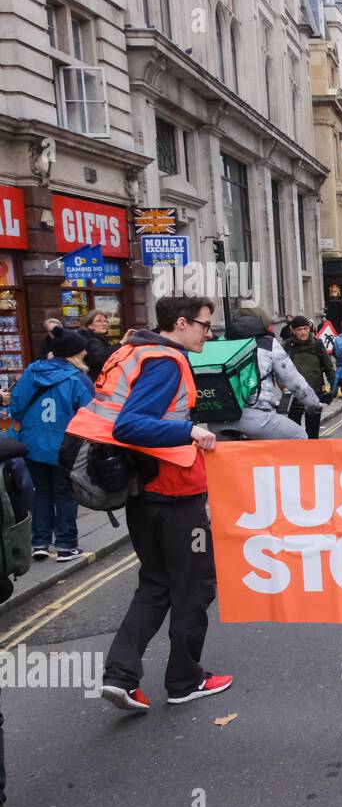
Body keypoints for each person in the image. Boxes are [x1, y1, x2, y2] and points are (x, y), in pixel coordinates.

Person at [65, 295, 233, 711]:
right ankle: (185, 680)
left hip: (142, 491)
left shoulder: (132, 350)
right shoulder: (165, 361)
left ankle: (120, 677)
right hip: (174, 494)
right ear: (181, 323)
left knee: (156, 583)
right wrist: (188, 432)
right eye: (204, 326)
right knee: (195, 585)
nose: (208, 335)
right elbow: (131, 425)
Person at [7, 326, 94, 561]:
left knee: (41, 493)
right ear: (73, 353)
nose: (86, 353)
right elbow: (90, 416)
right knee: (65, 494)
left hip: (32, 444)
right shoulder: (79, 379)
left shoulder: (32, 372)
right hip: (65, 447)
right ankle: (66, 545)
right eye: (82, 350)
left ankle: (40, 543)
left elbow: (16, 407)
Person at [210, 308, 322, 441]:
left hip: (218, 422)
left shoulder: (221, 343)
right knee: (301, 437)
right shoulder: (268, 343)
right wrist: (314, 405)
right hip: (256, 418)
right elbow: (295, 382)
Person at [282, 315, 335, 439]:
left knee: (313, 433)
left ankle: (312, 451)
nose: (303, 332)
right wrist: (283, 387)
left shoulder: (317, 343)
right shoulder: (288, 345)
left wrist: (334, 387)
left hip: (314, 394)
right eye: (299, 329)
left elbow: (328, 367)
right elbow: (280, 369)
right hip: (294, 395)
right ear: (293, 330)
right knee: (293, 434)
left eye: (305, 328)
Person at [78, 310, 117, 380]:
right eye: (98, 321)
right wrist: (121, 343)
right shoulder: (90, 340)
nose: (104, 324)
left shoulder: (99, 338)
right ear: (89, 325)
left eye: (105, 321)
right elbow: (103, 358)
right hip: (94, 380)